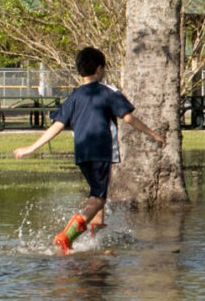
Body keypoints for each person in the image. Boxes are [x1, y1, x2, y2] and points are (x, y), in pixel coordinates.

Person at [13, 47, 165, 255]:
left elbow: (57, 125)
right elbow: (128, 117)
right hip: (101, 152)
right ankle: (67, 237)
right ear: (99, 69)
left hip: (82, 154)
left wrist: (30, 148)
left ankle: (96, 241)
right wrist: (154, 135)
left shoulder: (74, 96)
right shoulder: (108, 92)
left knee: (97, 193)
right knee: (98, 200)